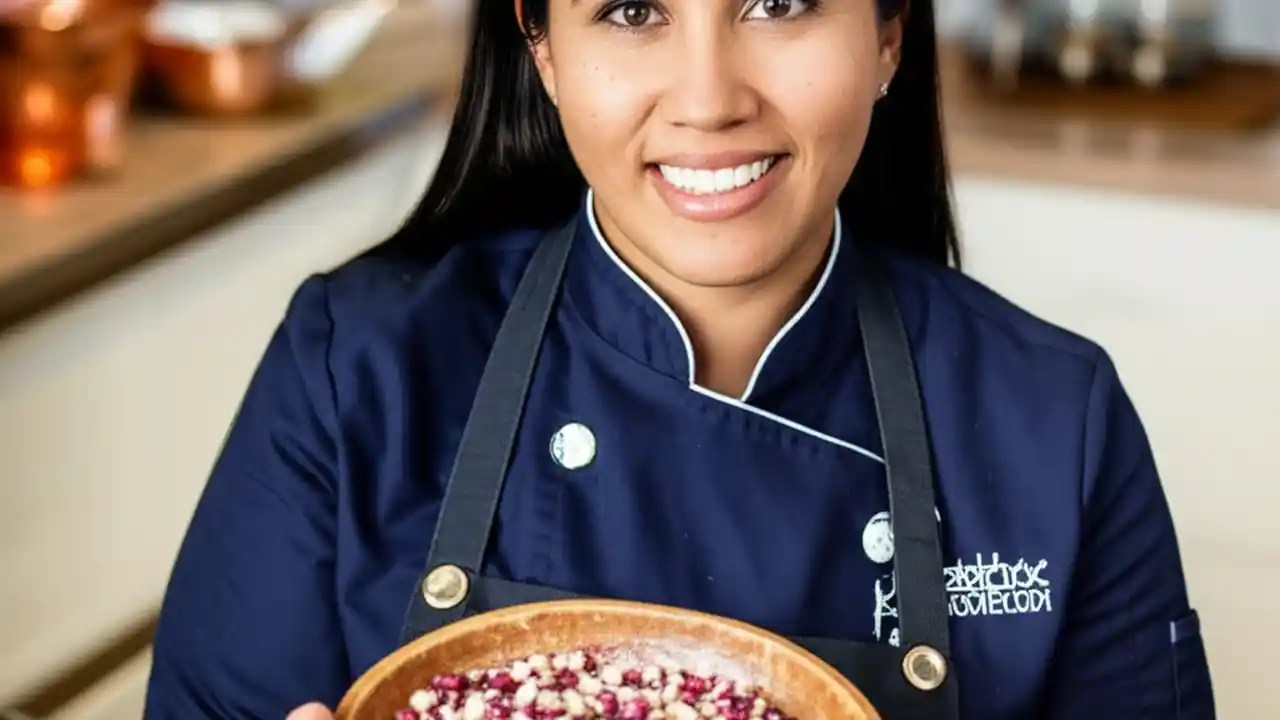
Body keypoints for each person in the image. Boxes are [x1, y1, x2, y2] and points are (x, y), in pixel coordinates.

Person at [144, 0, 1216, 717]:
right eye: (630, 9)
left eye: (779, 1)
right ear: (541, 45)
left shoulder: (1049, 420)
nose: (707, 98)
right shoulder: (356, 372)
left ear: (889, 34)